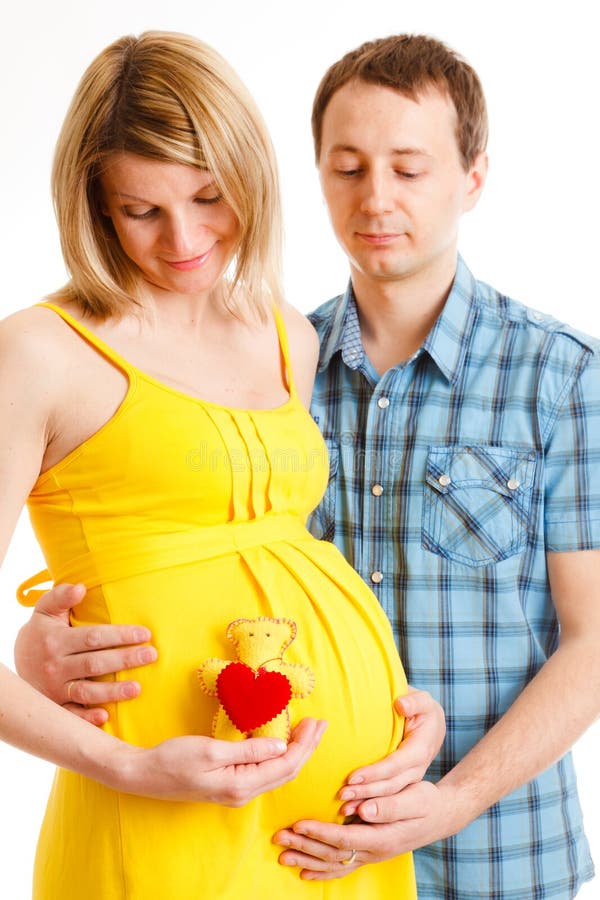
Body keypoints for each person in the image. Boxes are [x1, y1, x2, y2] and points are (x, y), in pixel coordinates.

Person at [18, 31, 600, 899]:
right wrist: (37, 661)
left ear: (473, 178)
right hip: (276, 819)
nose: (377, 198)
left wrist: (449, 789)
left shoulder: (559, 375)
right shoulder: (286, 347)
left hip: (487, 836)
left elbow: (593, 639)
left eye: (409, 167)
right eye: (348, 166)